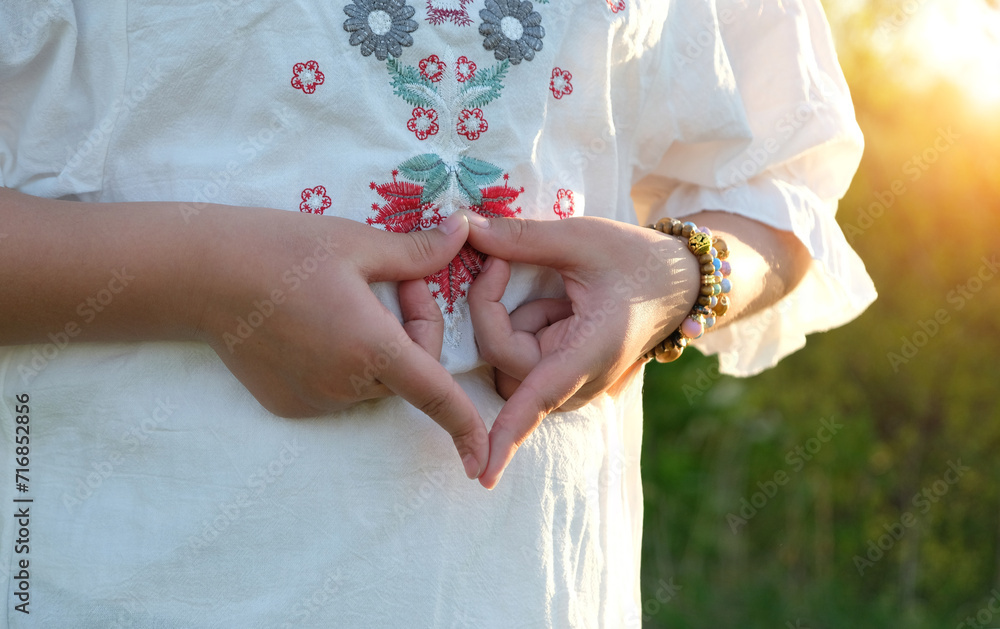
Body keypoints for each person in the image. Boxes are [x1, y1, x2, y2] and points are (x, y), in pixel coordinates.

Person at [0, 0, 876, 626]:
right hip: (132, 581)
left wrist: (676, 276)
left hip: (535, 591)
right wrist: (204, 276)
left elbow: (780, 176)